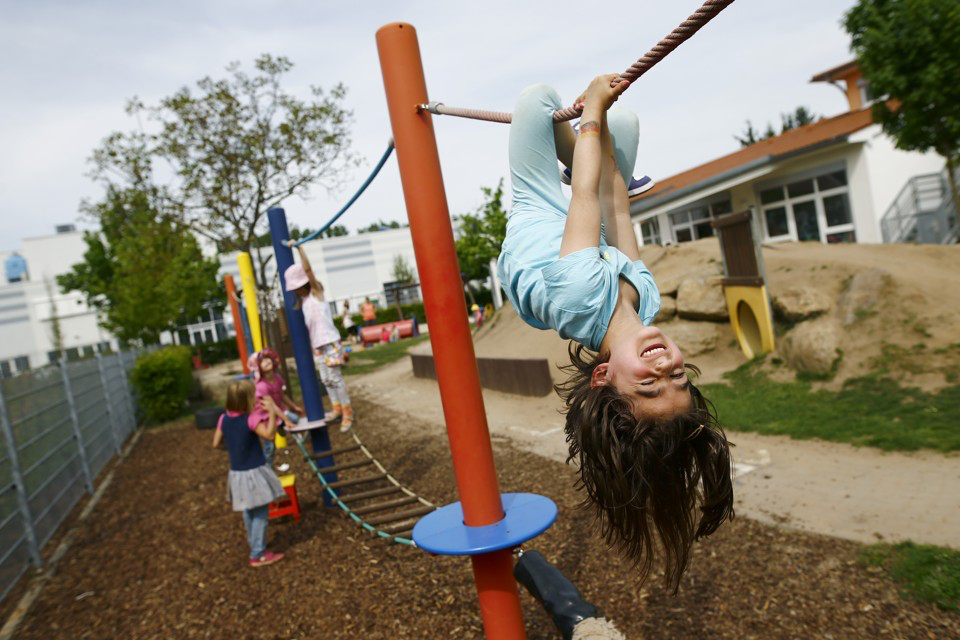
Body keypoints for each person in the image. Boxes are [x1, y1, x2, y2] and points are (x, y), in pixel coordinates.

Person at [496, 77, 734, 590]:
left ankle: (573, 151)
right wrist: (602, 140)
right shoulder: (646, 300)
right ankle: (582, 149)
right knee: (623, 126)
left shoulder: (582, 299)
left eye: (649, 383)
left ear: (603, 376)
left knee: (537, 100)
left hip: (537, 221)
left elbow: (586, 194)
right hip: (592, 236)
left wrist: (592, 115)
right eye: (679, 379)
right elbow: (618, 209)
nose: (665, 367)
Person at [212, 381, 287, 568]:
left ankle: (255, 544)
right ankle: (258, 554)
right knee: (261, 513)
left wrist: (233, 449)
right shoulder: (251, 418)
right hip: (254, 473)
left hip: (237, 474)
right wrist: (271, 412)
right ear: (246, 399)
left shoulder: (223, 418)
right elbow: (270, 435)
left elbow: (216, 444)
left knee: (248, 510)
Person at [287, 247, 354, 431]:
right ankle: (336, 408)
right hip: (318, 346)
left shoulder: (317, 294)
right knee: (325, 380)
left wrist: (299, 248)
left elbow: (308, 271)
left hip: (330, 342)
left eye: (297, 287)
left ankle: (347, 411)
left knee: (335, 378)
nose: (296, 291)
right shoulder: (304, 302)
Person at [248, 348, 305, 466]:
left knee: (295, 419)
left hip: (279, 411)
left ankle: (281, 426)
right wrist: (286, 420)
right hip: (266, 416)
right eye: (262, 361)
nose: (267, 361)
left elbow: (282, 396)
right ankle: (267, 467)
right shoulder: (261, 386)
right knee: (270, 445)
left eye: (267, 359)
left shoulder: (277, 378)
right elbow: (271, 406)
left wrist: (294, 407)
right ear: (258, 368)